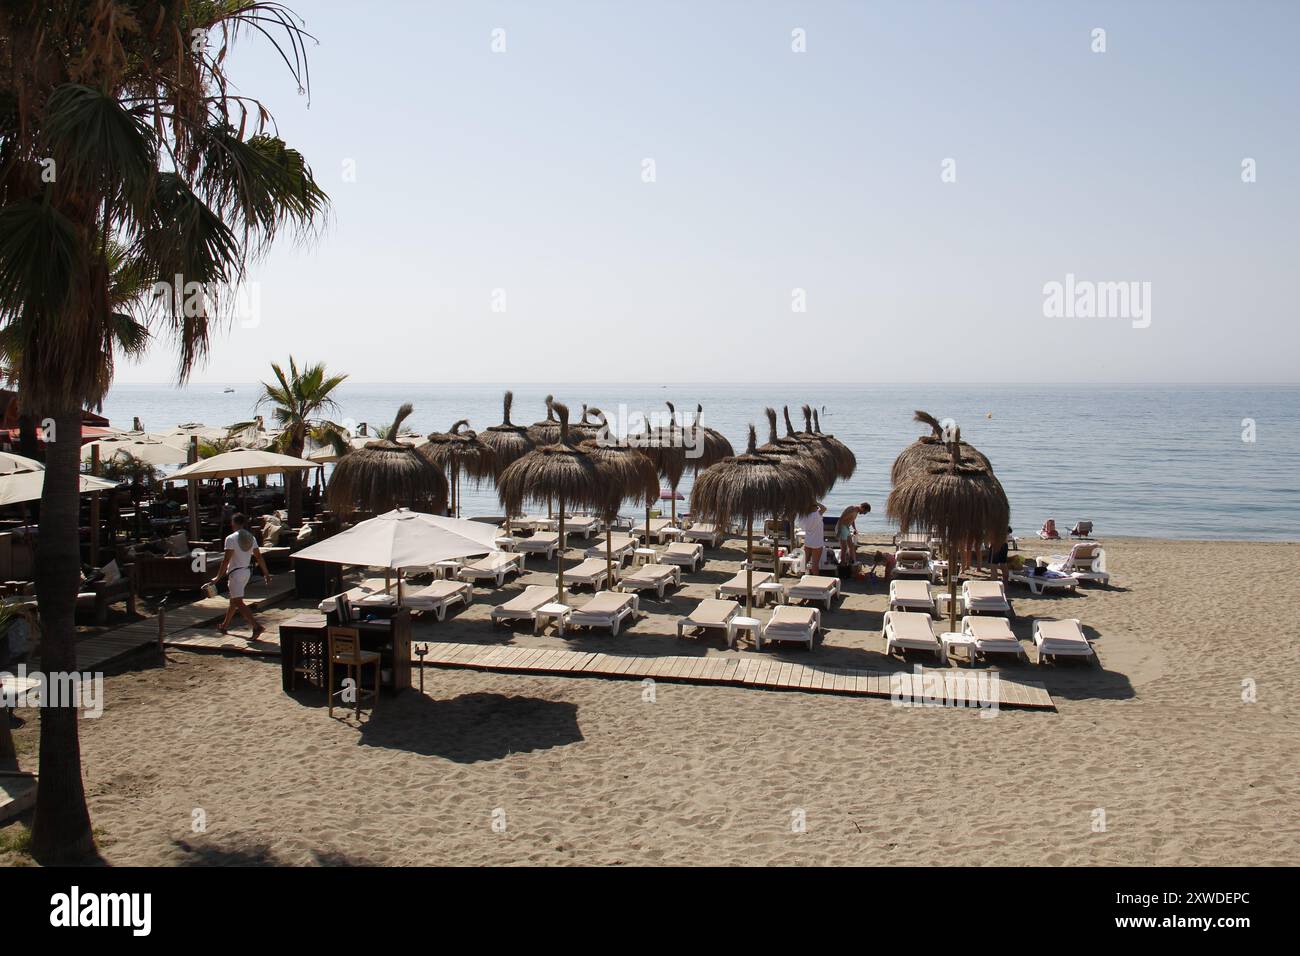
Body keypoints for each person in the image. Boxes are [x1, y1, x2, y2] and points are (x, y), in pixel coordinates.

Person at [212, 513, 272, 640]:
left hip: (236, 573)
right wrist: (266, 573)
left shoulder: (230, 538)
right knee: (234, 601)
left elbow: (226, 560)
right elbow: (259, 557)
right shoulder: (251, 537)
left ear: (233, 523)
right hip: (246, 572)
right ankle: (224, 625)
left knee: (238, 601)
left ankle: (256, 626)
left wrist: (218, 577)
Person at [796, 502, 827, 573]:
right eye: (816, 507)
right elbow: (824, 508)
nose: (817, 508)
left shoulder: (804, 517)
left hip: (808, 542)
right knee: (815, 565)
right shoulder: (816, 515)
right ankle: (815, 581)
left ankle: (801, 576)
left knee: (804, 563)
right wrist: (816, 502)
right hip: (817, 543)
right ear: (813, 507)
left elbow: (802, 527)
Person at [834, 506, 860, 577]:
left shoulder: (856, 511)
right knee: (844, 548)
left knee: (851, 546)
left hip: (846, 528)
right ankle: (842, 564)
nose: (864, 513)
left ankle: (853, 561)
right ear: (863, 508)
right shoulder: (852, 510)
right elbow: (842, 518)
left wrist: (854, 528)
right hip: (842, 527)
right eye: (865, 512)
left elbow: (852, 520)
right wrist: (839, 531)